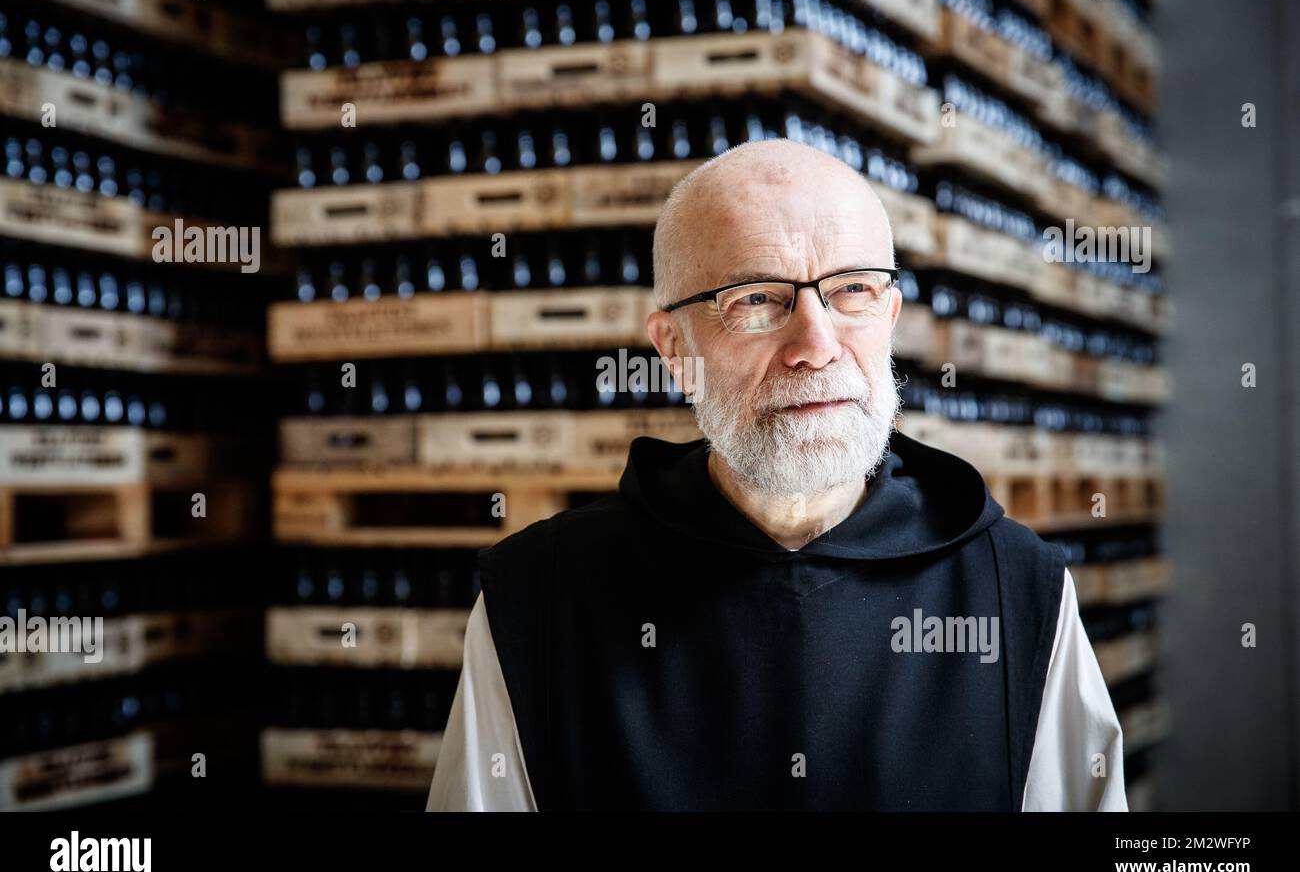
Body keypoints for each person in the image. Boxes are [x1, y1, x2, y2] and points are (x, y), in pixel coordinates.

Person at [427, 138, 1126, 811]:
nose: (816, 346)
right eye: (756, 298)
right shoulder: (536, 603)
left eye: (852, 290)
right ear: (673, 349)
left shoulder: (1019, 595)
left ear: (889, 316)